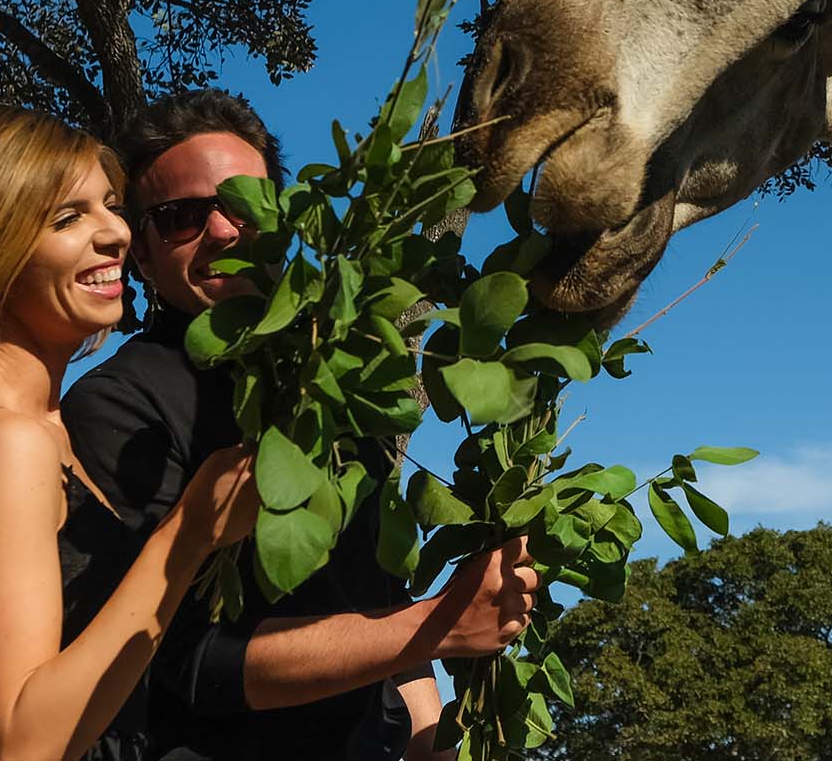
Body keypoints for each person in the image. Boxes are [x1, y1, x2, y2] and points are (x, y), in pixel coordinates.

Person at [64, 89, 539, 761]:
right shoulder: (118, 406)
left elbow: (378, 596)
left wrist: (433, 744)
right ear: (140, 252)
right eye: (181, 217)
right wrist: (437, 627)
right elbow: (185, 662)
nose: (223, 231)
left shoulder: (335, 383)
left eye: (246, 206)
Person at [0, 103, 260, 761]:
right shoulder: (1, 443)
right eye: (68, 219)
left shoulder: (36, 427)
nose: (117, 234)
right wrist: (189, 534)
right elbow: (23, 743)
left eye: (110, 207)